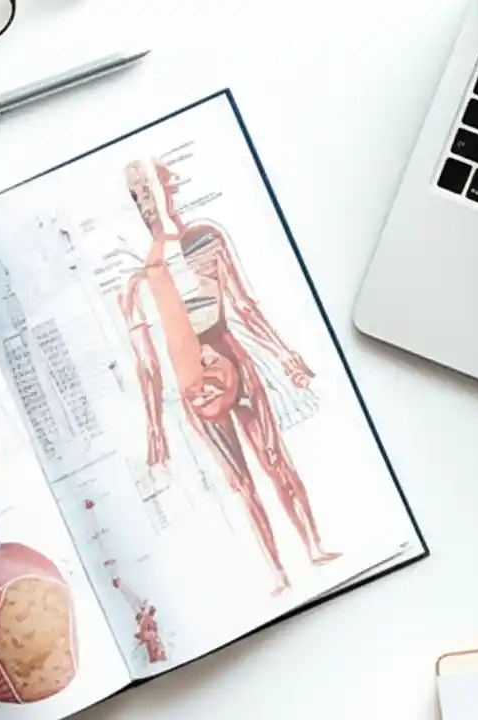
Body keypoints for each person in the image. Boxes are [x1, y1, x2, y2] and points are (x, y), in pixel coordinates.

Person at [117, 158, 339, 594]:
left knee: (275, 459)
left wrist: (285, 354)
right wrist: (154, 426)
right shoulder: (137, 285)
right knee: (240, 480)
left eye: (158, 186)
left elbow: (243, 306)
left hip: (233, 359)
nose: (155, 199)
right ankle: (278, 572)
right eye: (144, 193)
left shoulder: (207, 241)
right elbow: (147, 363)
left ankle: (313, 547)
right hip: (195, 389)